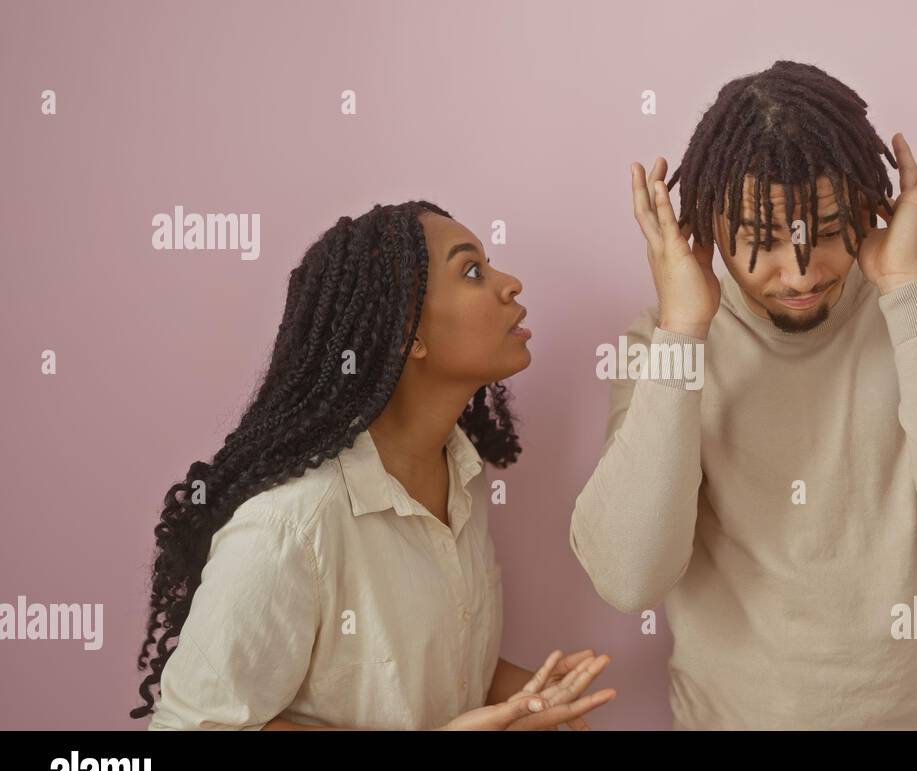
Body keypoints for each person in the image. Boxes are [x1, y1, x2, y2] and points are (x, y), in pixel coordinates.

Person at [569, 60, 917, 729]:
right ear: (705, 228)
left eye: (825, 233)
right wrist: (683, 332)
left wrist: (908, 292)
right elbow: (629, 575)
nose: (799, 274)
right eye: (761, 242)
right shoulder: (661, 343)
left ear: (866, 205)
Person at [135, 200, 615, 730]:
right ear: (410, 334)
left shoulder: (463, 475)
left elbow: (412, 670)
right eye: (472, 271)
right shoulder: (290, 524)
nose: (512, 283)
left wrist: (525, 698)